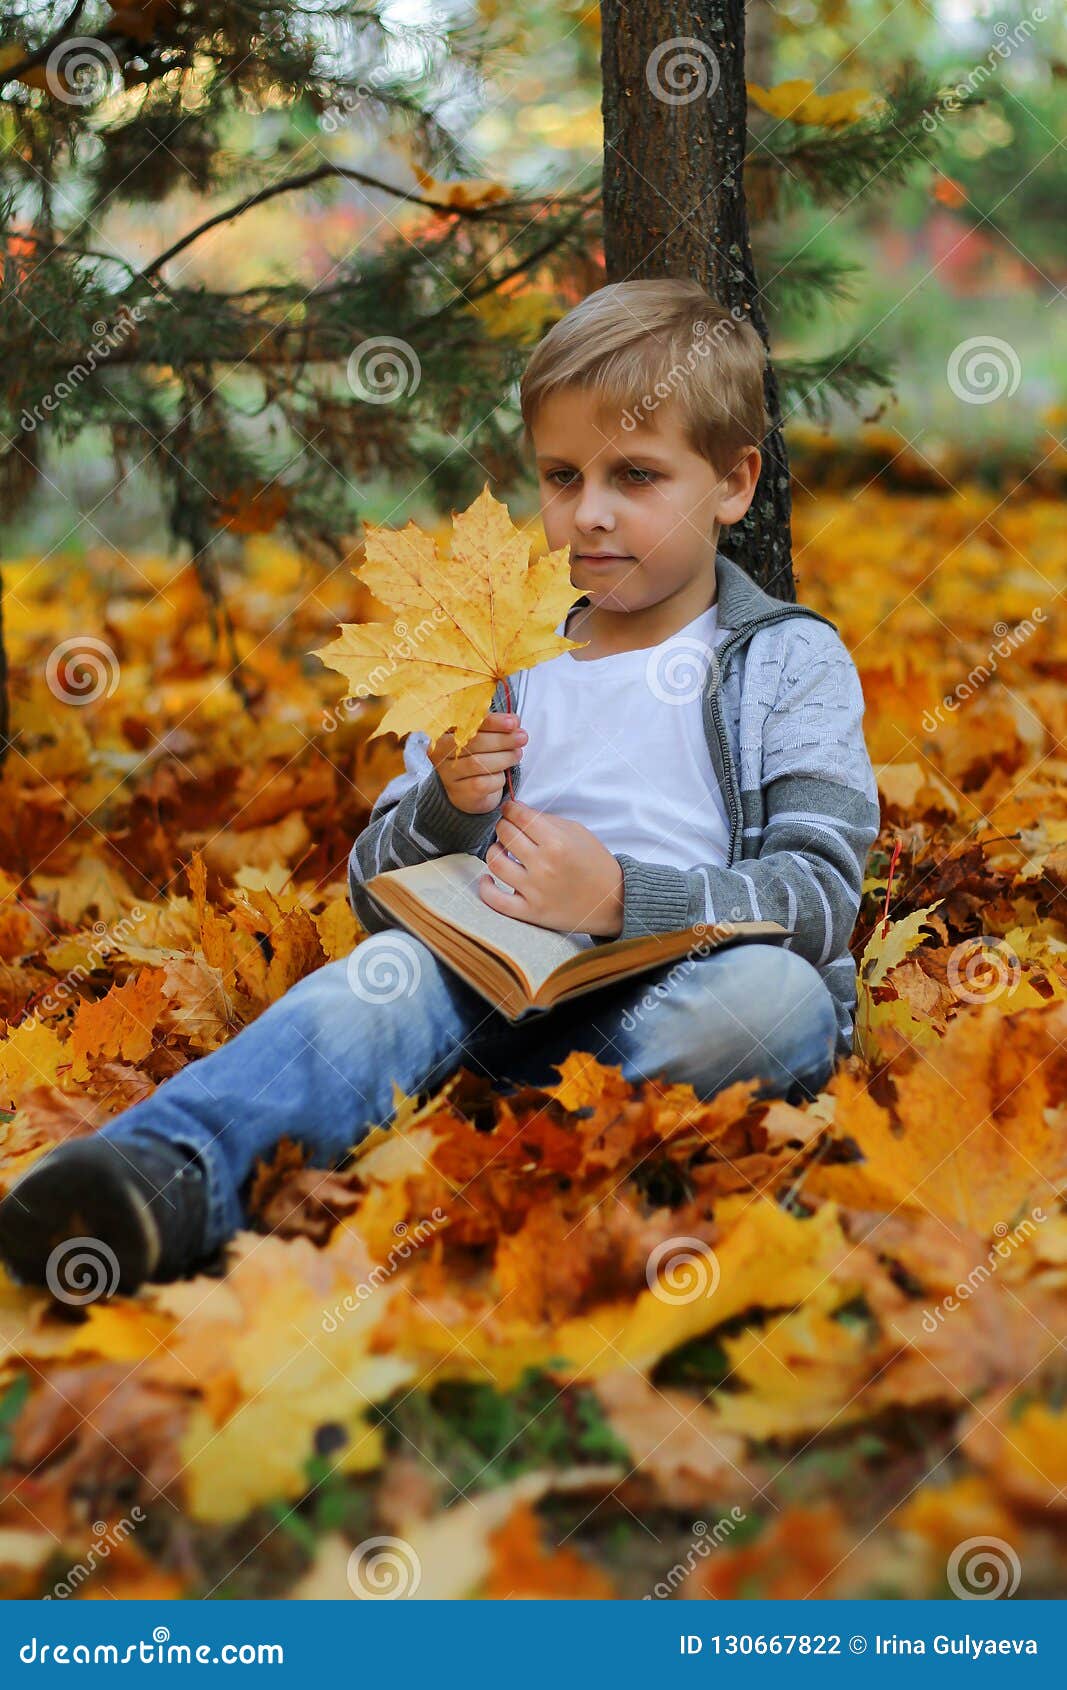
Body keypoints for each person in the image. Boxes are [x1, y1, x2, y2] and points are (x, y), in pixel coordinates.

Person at [0, 278, 879, 1299]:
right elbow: (377, 893)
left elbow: (819, 899)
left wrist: (619, 898)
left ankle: (504, 1143)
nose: (587, 512)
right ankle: (165, 1173)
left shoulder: (783, 661)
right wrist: (448, 808)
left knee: (772, 1001)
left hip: (672, 998)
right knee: (372, 988)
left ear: (732, 484)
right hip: (477, 989)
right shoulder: (501, 654)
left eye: (635, 476)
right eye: (560, 475)